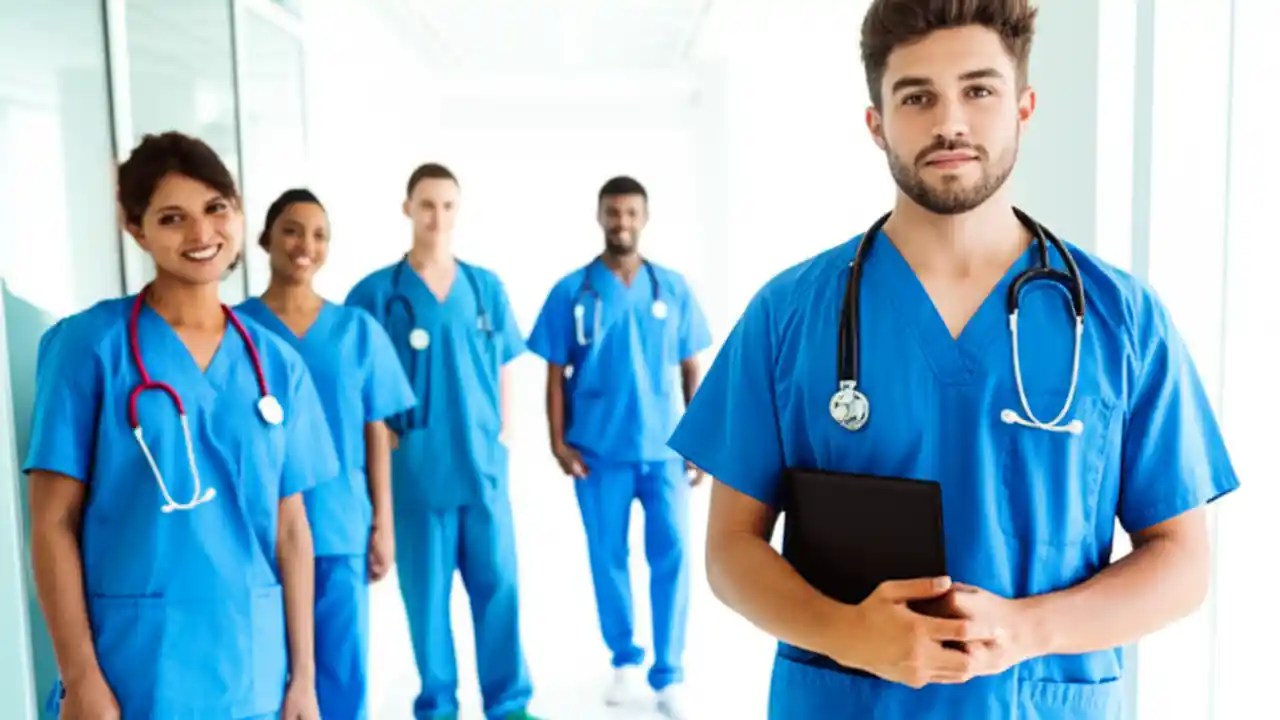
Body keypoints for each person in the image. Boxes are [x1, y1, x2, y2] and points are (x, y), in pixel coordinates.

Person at [667, 1, 1241, 718]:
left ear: (1024, 107)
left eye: (979, 90)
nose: (951, 123)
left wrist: (1027, 630)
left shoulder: (1121, 320)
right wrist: (847, 634)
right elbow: (729, 549)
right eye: (917, 97)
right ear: (875, 122)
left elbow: (1182, 562)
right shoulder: (789, 317)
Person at [24, 132, 339, 719]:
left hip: (253, 667)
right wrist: (79, 678)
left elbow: (292, 530)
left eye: (216, 209)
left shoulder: (276, 365)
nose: (201, 235)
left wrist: (304, 681)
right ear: (136, 229)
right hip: (134, 669)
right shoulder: (89, 348)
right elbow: (51, 523)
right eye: (172, 218)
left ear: (240, 212)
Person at [345, 163, 539, 720]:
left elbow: (504, 364)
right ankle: (437, 705)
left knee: (499, 588)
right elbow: (358, 386)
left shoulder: (485, 287)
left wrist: (500, 432)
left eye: (447, 205)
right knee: (426, 603)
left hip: (481, 466)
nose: (437, 216)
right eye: (426, 204)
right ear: (407, 208)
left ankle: (509, 704)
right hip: (416, 472)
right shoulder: (377, 295)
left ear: (459, 211)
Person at [526, 175, 711, 720]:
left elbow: (690, 368)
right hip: (598, 452)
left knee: (672, 556)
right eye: (613, 212)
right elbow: (554, 373)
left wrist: (698, 439)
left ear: (645, 218)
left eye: (630, 212)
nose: (621, 221)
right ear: (600, 215)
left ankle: (669, 672)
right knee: (608, 557)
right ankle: (625, 660)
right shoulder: (572, 292)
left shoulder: (671, 289)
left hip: (665, 452)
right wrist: (558, 442)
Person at [237, 188, 416, 719]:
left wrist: (382, 522)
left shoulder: (356, 331)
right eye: (292, 230)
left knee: (340, 674)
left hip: (338, 529)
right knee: (268, 674)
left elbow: (376, 434)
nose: (305, 245)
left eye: (319, 235)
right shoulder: (235, 329)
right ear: (266, 238)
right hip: (258, 533)